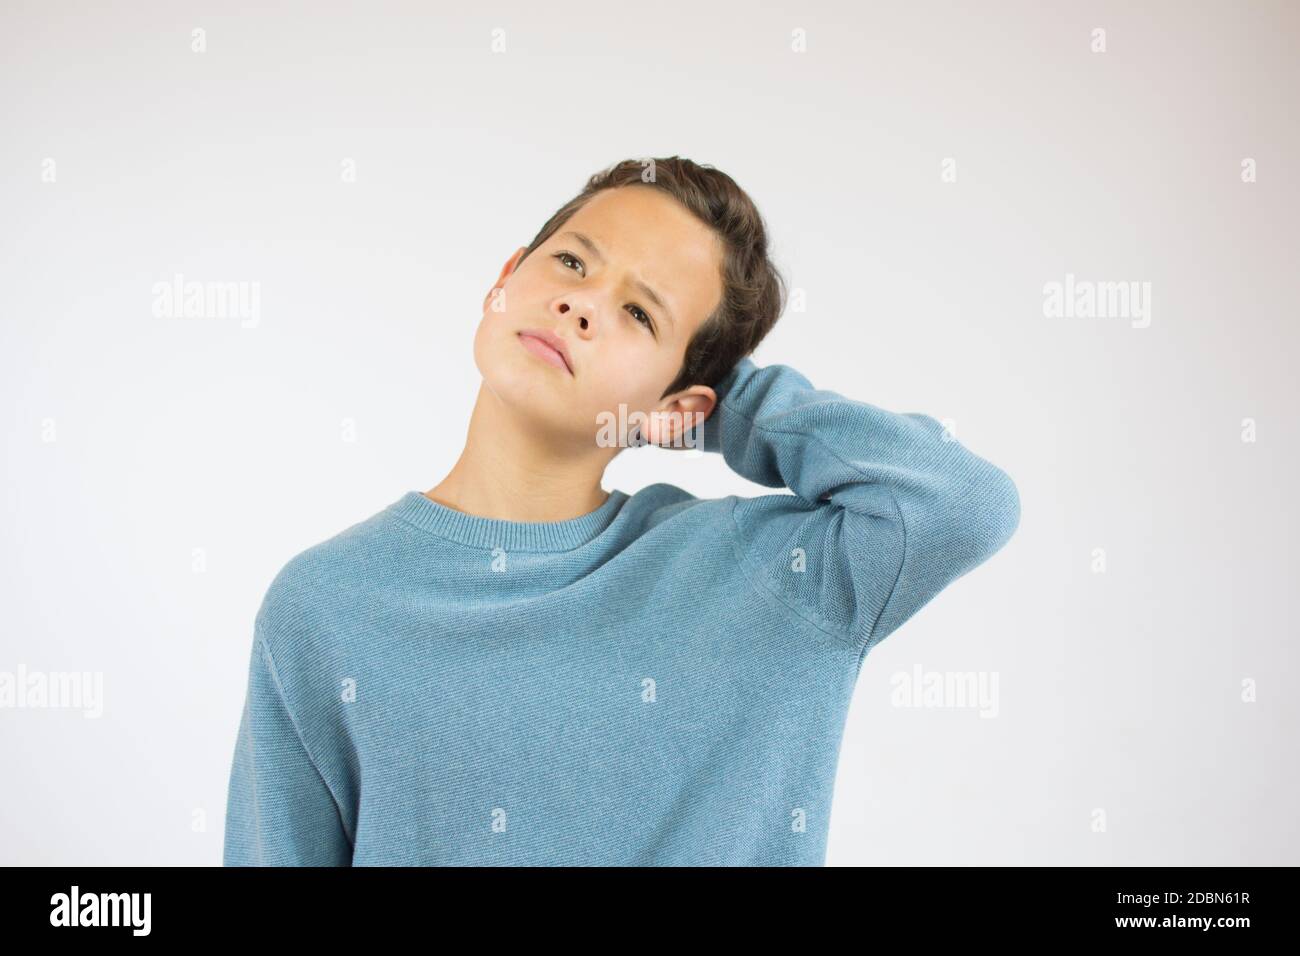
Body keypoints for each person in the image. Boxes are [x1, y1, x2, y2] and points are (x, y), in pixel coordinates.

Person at [222, 156, 1021, 866]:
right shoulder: (325, 606)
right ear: (504, 279)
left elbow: (960, 503)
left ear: (681, 406)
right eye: (572, 262)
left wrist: (717, 406)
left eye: (640, 314)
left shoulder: (773, 585)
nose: (581, 305)